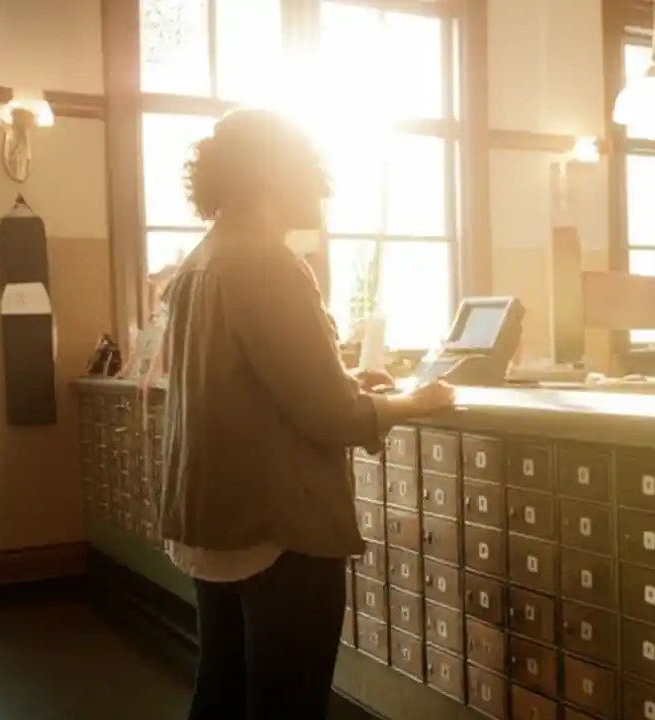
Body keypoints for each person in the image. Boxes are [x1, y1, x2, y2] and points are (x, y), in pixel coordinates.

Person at [158, 108, 455, 719]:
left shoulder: (204, 259)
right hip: (279, 528)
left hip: (217, 519)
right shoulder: (267, 263)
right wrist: (416, 400)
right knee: (286, 707)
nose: (322, 188)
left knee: (220, 694)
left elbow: (250, 380)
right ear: (274, 175)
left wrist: (345, 378)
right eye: (312, 171)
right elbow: (332, 415)